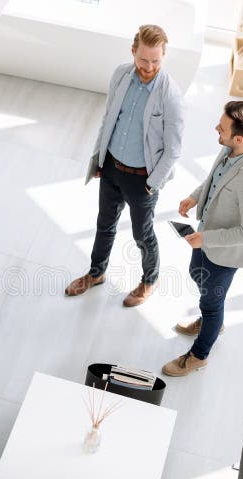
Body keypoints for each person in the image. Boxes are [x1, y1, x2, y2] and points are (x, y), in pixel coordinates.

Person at [65, 24, 184, 307]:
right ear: (133, 52)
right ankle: (96, 273)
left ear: (164, 55)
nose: (149, 66)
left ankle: (149, 280)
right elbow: (108, 119)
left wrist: (150, 185)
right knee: (104, 224)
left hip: (143, 179)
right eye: (143, 60)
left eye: (156, 60)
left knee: (142, 234)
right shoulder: (120, 75)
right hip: (111, 169)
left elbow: (174, 150)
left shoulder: (170, 95)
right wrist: (99, 159)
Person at [162, 101, 243, 377]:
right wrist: (195, 196)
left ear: (239, 138)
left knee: (212, 304)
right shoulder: (228, 149)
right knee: (196, 274)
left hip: (222, 251)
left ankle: (199, 355)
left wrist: (206, 239)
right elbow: (214, 180)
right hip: (205, 236)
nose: (216, 130)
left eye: (222, 128)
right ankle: (212, 319)